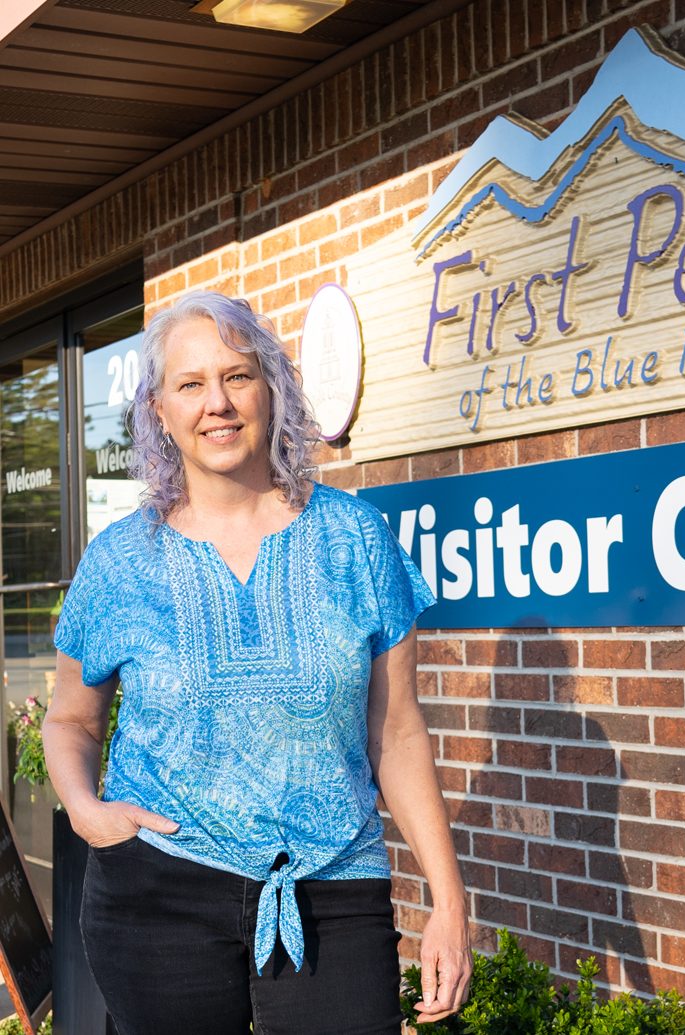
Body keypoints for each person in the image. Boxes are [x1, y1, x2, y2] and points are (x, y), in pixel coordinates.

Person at [43, 291, 471, 1034]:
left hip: (331, 884)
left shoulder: (355, 539)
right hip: (157, 895)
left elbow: (397, 732)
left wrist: (449, 899)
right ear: (159, 409)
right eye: (191, 383)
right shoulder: (119, 560)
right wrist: (86, 810)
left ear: (273, 387)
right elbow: (70, 720)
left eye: (239, 376)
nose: (218, 402)